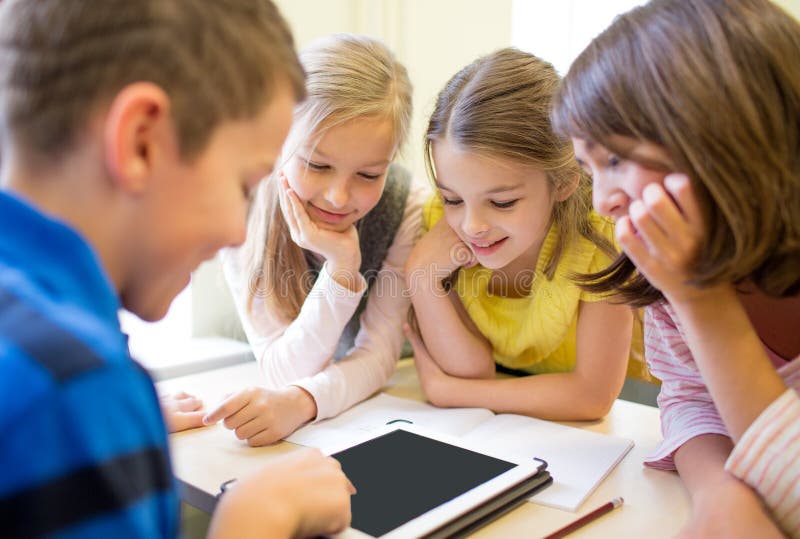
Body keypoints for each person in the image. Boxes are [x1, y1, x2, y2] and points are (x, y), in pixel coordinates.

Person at [0, 1, 354, 537]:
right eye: (244, 186)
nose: (239, 232)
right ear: (141, 142)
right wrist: (257, 519)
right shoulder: (76, 391)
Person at [551, 0, 800, 536]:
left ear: (724, 133)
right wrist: (719, 493)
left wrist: (701, 301)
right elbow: (690, 399)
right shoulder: (667, 273)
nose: (602, 203)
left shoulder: (685, 280)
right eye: (588, 169)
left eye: (615, 159)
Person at [204, 33, 425, 446]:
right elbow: (282, 372)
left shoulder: (408, 206)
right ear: (281, 135)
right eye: (316, 164)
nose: (338, 197)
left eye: (369, 175)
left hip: (394, 400)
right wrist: (341, 272)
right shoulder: (243, 206)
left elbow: (379, 356)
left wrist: (303, 402)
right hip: (342, 407)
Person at [403, 48, 639, 422]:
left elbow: (592, 397)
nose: (471, 226)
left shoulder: (602, 237)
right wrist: (420, 276)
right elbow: (473, 369)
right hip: (510, 423)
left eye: (502, 202)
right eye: (452, 198)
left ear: (562, 182)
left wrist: (451, 392)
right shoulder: (441, 225)